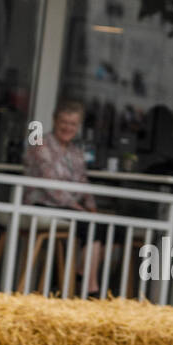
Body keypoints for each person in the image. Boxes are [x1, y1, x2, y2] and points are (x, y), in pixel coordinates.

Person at [23, 99, 104, 296]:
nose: (68, 127)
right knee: (90, 225)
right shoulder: (40, 144)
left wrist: (91, 207)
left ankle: (82, 275)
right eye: (64, 122)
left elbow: (83, 182)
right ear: (54, 121)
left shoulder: (76, 152)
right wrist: (78, 207)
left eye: (73, 124)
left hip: (70, 209)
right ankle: (90, 288)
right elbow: (51, 186)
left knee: (104, 227)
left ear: (78, 126)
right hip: (42, 205)